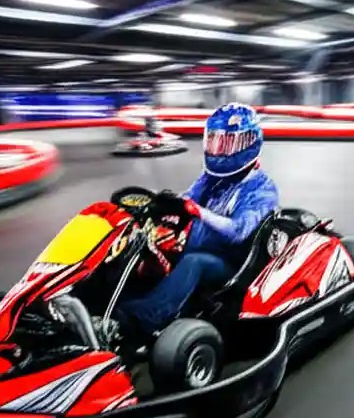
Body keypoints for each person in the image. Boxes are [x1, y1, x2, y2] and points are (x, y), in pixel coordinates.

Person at [113, 103, 278, 344]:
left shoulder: (262, 189)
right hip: (197, 245)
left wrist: (198, 211)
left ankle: (147, 318)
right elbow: (187, 199)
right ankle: (110, 299)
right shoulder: (212, 178)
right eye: (215, 142)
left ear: (249, 143)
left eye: (228, 144)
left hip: (233, 263)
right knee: (145, 243)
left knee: (194, 262)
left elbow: (238, 231)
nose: (220, 152)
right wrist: (162, 204)